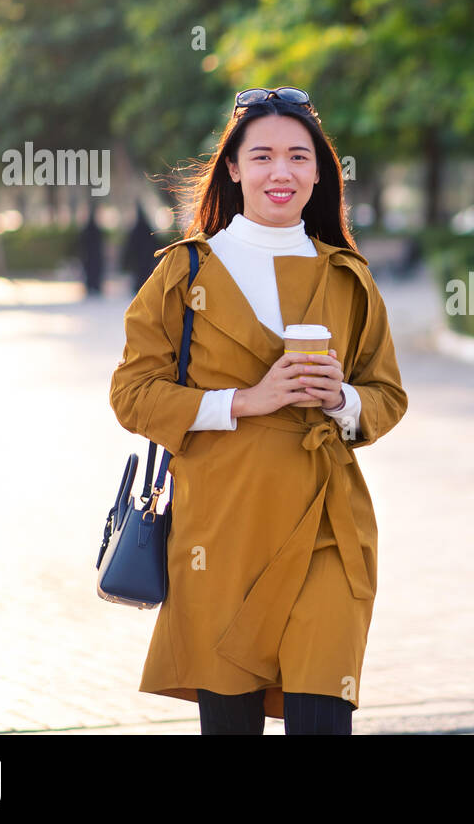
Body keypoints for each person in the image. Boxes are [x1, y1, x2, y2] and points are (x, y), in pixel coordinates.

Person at [108, 86, 408, 734]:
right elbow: (131, 392)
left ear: (319, 171)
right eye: (264, 155)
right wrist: (245, 401)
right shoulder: (184, 273)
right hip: (219, 533)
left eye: (299, 156)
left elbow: (386, 394)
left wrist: (343, 399)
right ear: (234, 168)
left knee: (324, 718)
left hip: (328, 526)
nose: (282, 171)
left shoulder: (348, 276)